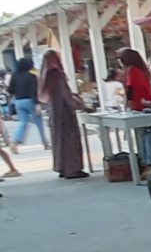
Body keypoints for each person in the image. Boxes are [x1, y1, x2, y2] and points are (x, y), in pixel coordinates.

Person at [38, 48, 90, 179]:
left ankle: (61, 166)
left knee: (58, 139)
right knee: (70, 139)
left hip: (53, 110)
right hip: (64, 111)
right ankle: (72, 168)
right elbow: (65, 94)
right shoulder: (57, 73)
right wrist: (80, 105)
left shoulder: (45, 74)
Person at [7, 55, 46, 150]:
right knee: (39, 123)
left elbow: (10, 90)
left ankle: (15, 142)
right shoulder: (32, 76)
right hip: (30, 101)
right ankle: (45, 142)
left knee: (23, 123)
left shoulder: (14, 76)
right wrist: (37, 104)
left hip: (18, 102)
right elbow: (34, 91)